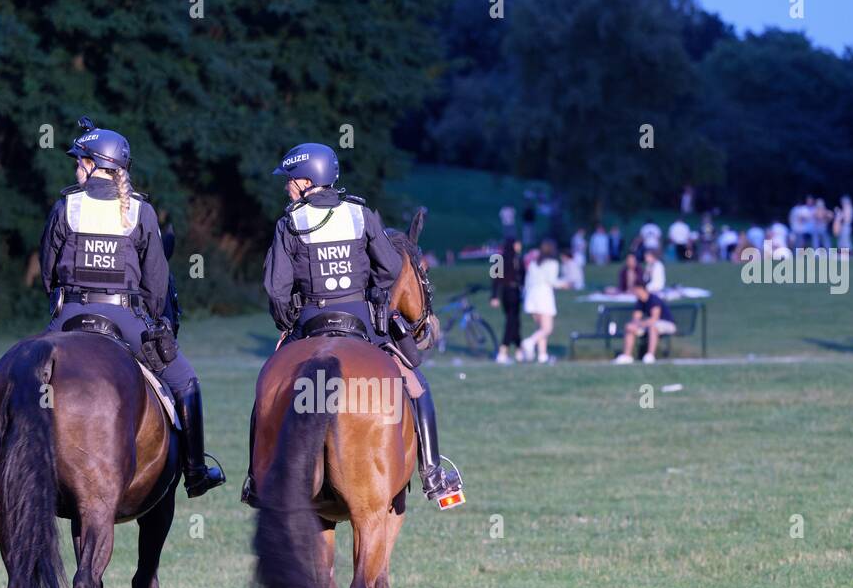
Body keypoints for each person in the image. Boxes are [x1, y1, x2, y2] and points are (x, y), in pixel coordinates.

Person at [252, 141, 462, 505]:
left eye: (289, 180)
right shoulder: (360, 214)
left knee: (266, 392)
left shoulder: (289, 223)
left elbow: (276, 288)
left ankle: (256, 480)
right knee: (416, 384)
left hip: (309, 323)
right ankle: (432, 473)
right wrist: (376, 298)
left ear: (305, 181)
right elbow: (391, 268)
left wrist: (287, 321)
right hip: (361, 321)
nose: (286, 186)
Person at [40, 117, 224, 498]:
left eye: (79, 160)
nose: (76, 167)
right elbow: (156, 284)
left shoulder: (66, 206)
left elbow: (47, 270)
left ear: (92, 165)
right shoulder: (140, 212)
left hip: (69, 316)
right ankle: (194, 471)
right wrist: (155, 319)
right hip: (124, 318)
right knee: (185, 381)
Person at [613, 277, 675, 364]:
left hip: (667, 324)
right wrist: (635, 324)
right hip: (649, 325)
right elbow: (635, 318)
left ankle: (650, 356)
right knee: (630, 327)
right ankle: (627, 356)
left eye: (634, 289)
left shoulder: (653, 300)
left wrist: (640, 323)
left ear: (640, 289)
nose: (633, 292)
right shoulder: (640, 302)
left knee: (653, 327)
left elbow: (654, 319)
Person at [521, 240, 564, 363]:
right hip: (543, 295)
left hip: (531, 295)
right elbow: (552, 281)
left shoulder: (534, 263)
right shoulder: (552, 263)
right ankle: (529, 342)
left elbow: (528, 281)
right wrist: (564, 284)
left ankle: (542, 355)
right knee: (547, 328)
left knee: (540, 327)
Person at [491, 237, 524, 364]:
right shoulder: (502, 258)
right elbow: (495, 279)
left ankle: (519, 349)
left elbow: (522, 276)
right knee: (512, 321)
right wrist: (494, 296)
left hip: (511, 293)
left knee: (514, 321)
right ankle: (503, 350)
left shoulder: (513, 258)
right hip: (509, 293)